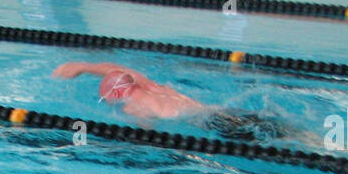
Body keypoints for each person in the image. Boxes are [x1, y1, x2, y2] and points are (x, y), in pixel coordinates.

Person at [52, 61, 290, 142]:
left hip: (210, 124)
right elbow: (117, 69)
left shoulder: (133, 107)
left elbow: (147, 133)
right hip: (222, 111)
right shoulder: (150, 85)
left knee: (270, 141)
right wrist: (84, 67)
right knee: (282, 131)